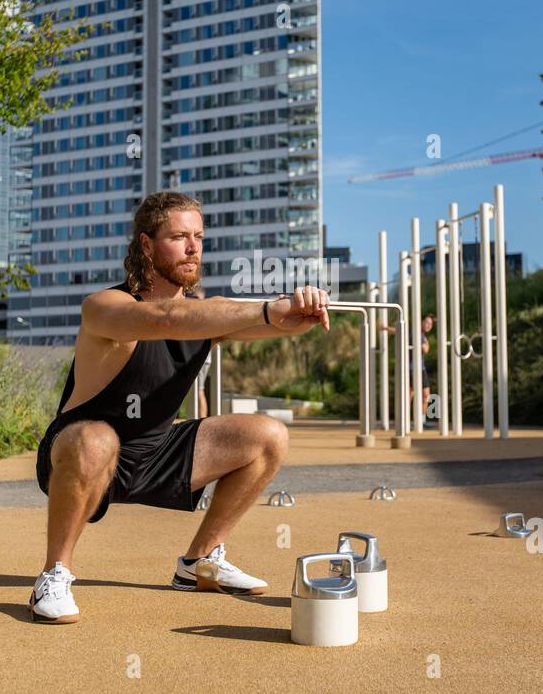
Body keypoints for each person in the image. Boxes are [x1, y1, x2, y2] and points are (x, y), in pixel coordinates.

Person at [30, 191, 330, 624]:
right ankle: (54, 574)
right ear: (147, 245)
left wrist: (300, 311)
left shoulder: (204, 314)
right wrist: (268, 309)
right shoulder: (105, 307)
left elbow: (247, 320)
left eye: (199, 237)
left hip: (155, 455)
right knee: (96, 438)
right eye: (178, 237)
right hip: (80, 451)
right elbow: (166, 320)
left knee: (268, 437)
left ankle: (199, 563)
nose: (193, 248)